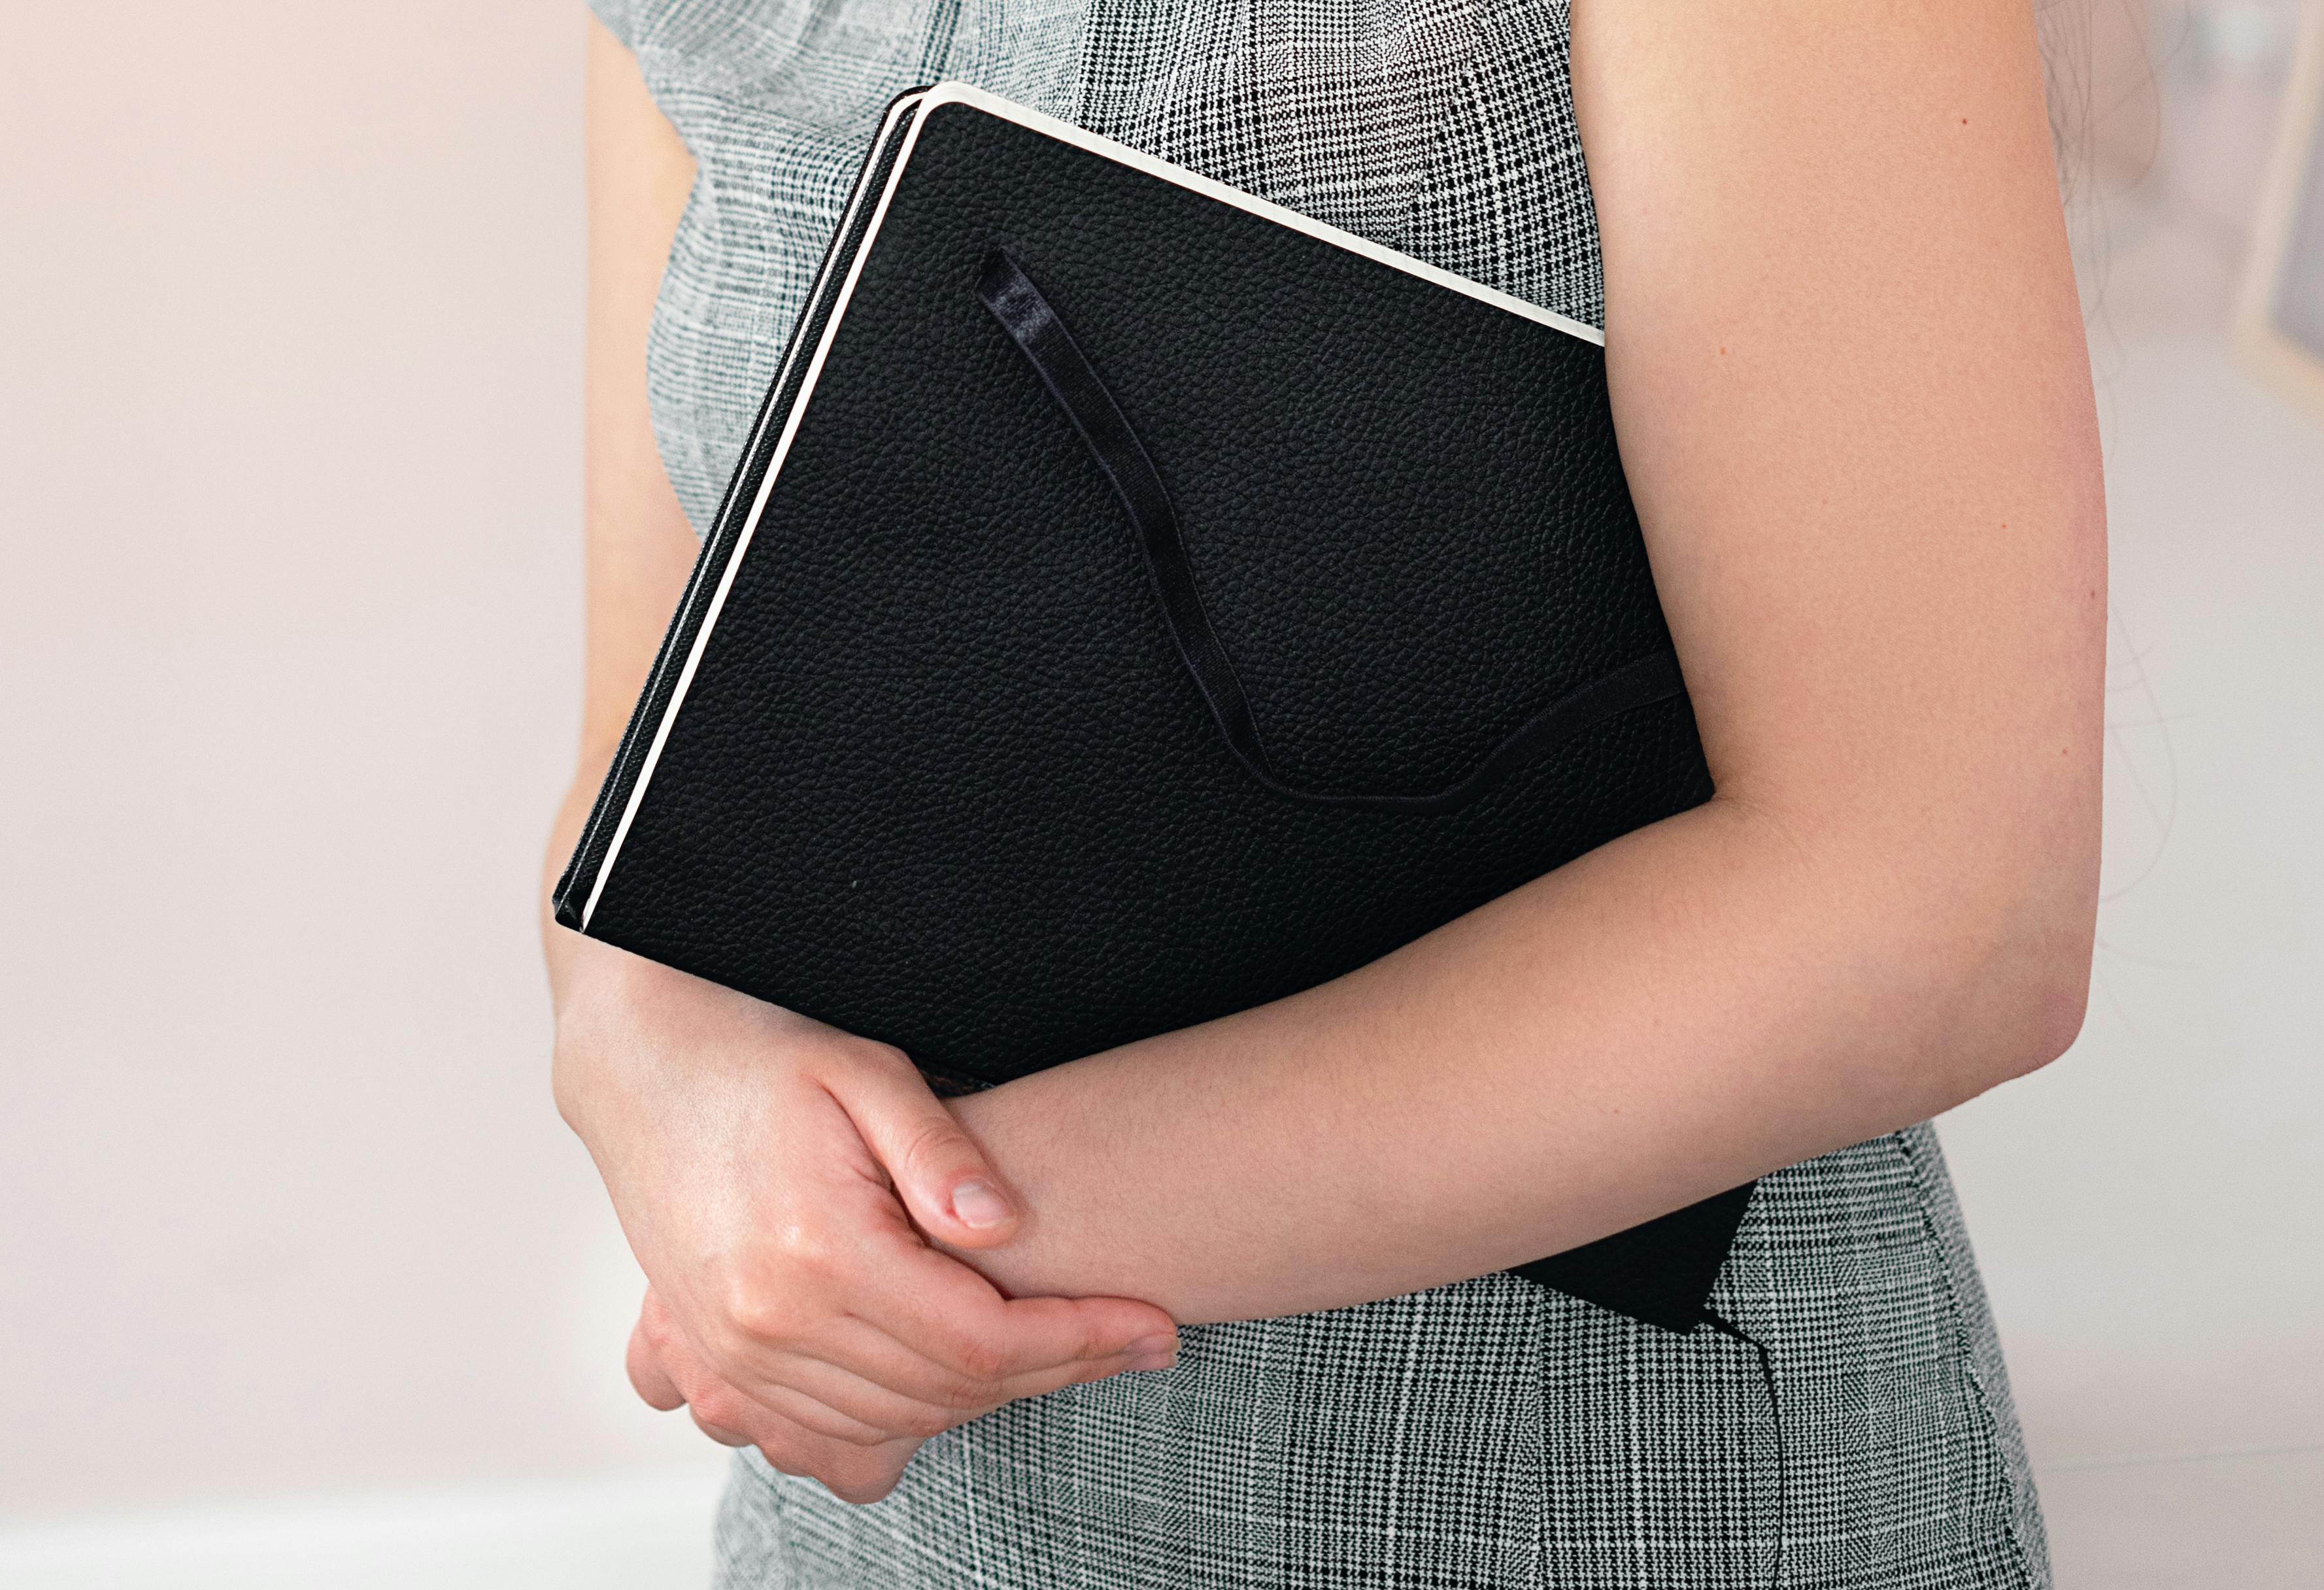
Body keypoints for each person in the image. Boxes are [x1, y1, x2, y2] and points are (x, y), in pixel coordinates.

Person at [543, 0, 2106, 1582]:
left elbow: (1939, 914)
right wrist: (656, 1079)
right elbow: (646, 729)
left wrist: (896, 1246)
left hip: (1564, 1472)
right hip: (871, 1488)